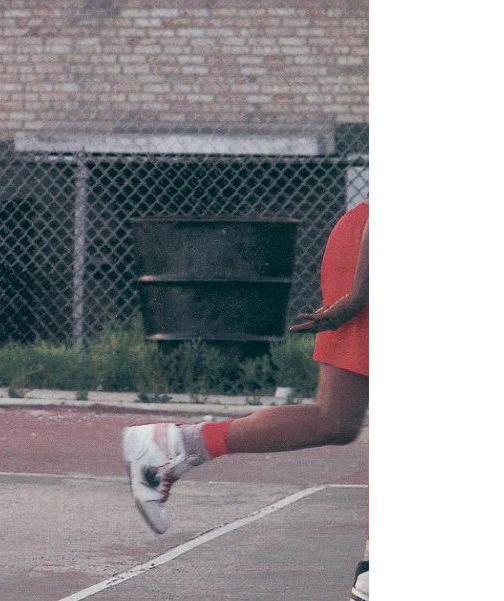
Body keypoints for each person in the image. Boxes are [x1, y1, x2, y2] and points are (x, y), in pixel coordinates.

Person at [121, 200, 369, 600]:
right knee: (336, 416)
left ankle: (175, 446)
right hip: (370, 251)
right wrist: (359, 296)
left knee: (338, 421)